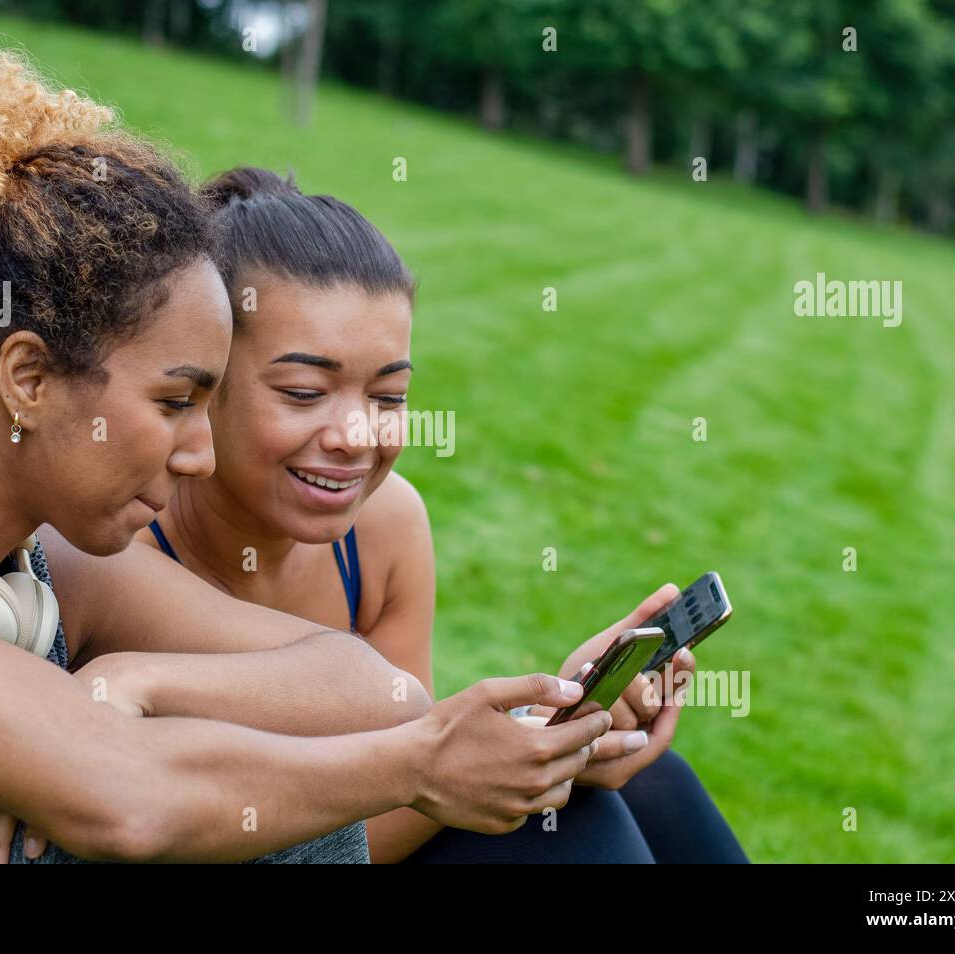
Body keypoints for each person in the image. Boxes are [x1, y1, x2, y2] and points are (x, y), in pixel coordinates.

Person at [0, 47, 620, 864]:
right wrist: (417, 768)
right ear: (28, 379)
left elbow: (371, 689)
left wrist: (133, 683)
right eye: (175, 402)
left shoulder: (55, 567)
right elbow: (123, 803)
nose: (201, 454)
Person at [126, 168, 748, 862]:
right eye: (305, 392)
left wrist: (544, 734)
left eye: (389, 396)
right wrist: (486, 751)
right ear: (206, 380)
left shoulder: (384, 528)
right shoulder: (120, 543)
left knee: (643, 786)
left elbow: (392, 806)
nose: (357, 436)